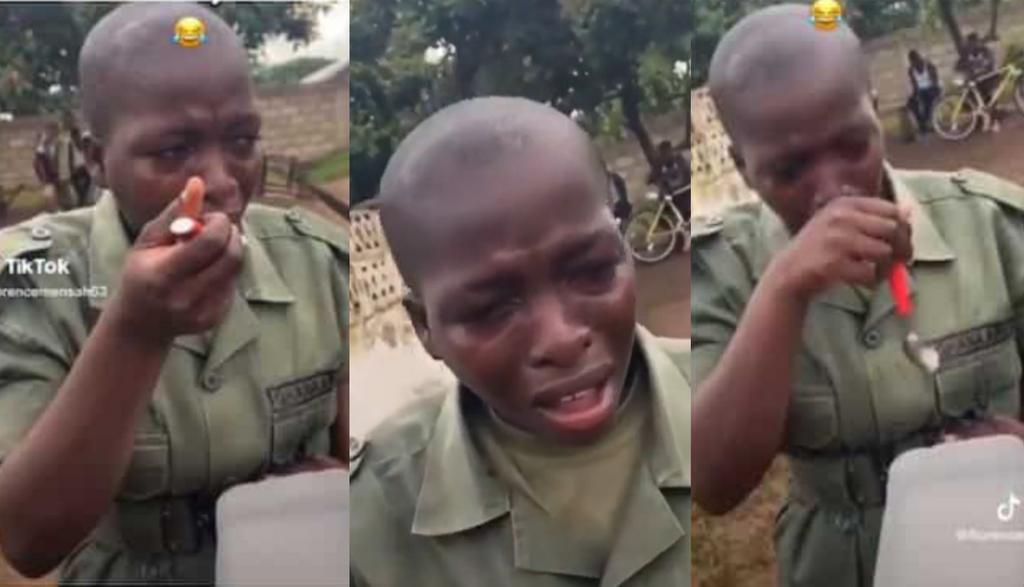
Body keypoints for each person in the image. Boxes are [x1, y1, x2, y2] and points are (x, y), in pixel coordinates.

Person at [0, 4, 348, 585]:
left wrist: (334, 490)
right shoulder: (39, 285)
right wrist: (136, 331)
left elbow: (364, 461)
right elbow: (30, 539)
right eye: (172, 150)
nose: (220, 180)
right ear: (96, 159)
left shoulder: (318, 262)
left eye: (241, 139)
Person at [693, 5, 1024, 587]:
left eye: (853, 145)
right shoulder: (724, 273)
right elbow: (715, 484)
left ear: (875, 107)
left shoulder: (989, 225)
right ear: (745, 169)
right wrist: (783, 289)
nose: (833, 187)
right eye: (790, 169)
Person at [350, 97, 692, 586]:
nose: (561, 340)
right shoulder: (368, 519)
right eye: (492, 309)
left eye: (592, 271)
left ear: (624, 251)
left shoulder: (731, 399)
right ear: (426, 328)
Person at [957, 32, 1000, 130]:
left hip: (988, 80)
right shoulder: (965, 55)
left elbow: (992, 65)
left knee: (993, 97)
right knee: (968, 99)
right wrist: (967, 74)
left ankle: (994, 121)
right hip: (975, 82)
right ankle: (980, 121)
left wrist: (983, 71)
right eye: (971, 43)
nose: (973, 45)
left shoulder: (986, 52)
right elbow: (958, 67)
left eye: (975, 42)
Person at [906, 50, 940, 135]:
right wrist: (914, 95)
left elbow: (935, 81)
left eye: (917, 59)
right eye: (913, 61)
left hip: (933, 87)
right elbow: (915, 85)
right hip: (921, 90)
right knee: (911, 103)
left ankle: (924, 124)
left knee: (928, 100)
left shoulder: (928, 65)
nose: (915, 63)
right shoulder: (911, 70)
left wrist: (930, 89)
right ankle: (922, 123)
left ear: (920, 58)